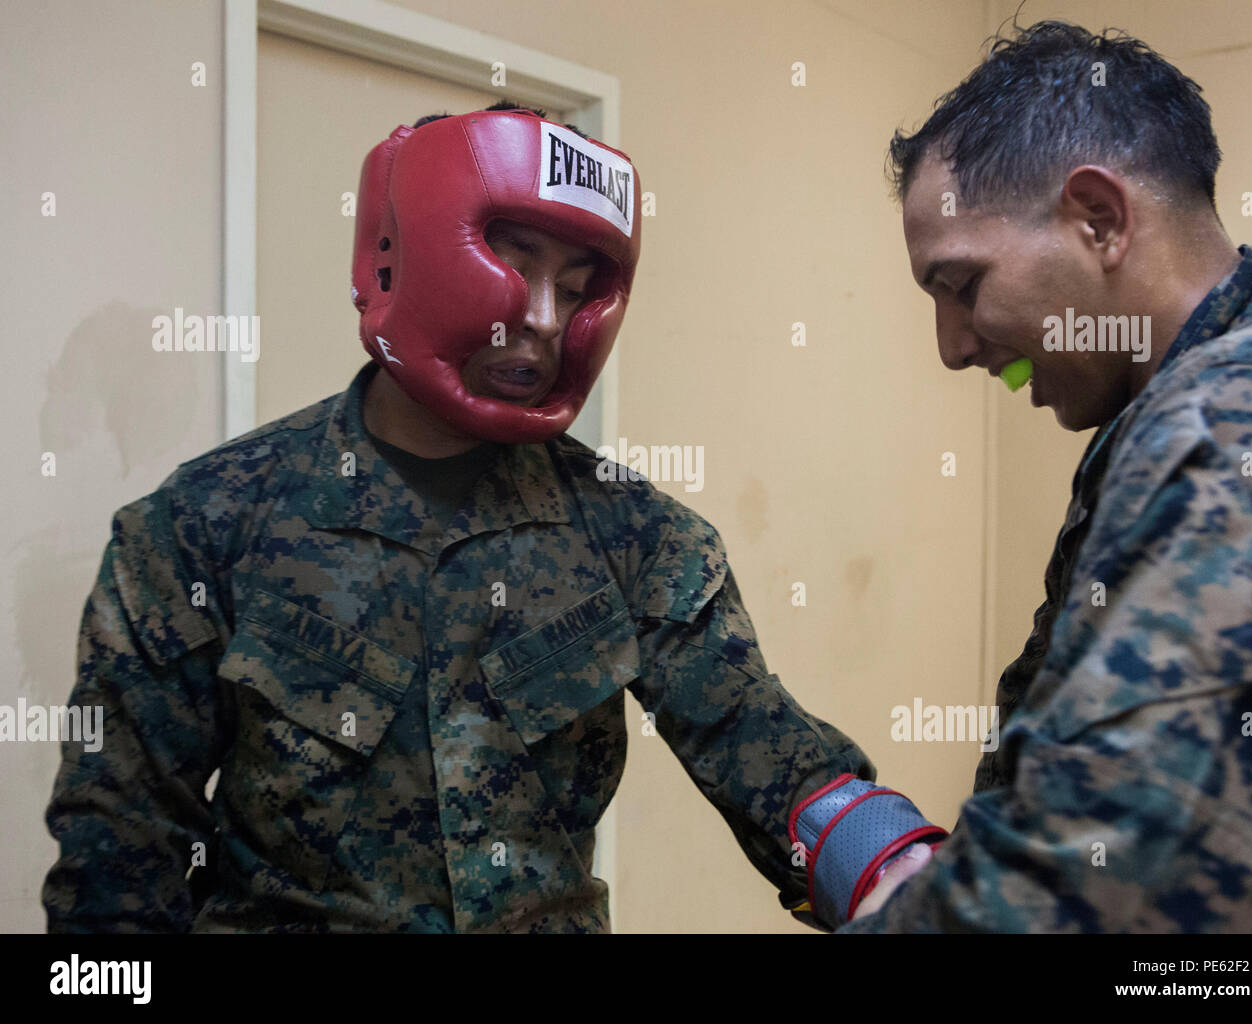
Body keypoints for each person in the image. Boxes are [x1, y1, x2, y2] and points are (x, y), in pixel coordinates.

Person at [41, 102, 871, 933]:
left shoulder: (637, 536)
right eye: (514, 266)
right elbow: (117, 860)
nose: (545, 320)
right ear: (395, 258)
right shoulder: (204, 524)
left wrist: (894, 865)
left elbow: (764, 749)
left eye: (576, 290)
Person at [794, 21, 1252, 933]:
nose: (953, 348)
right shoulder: (1221, 383)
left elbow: (1080, 892)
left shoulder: (1223, 427)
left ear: (1098, 219)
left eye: (960, 285)